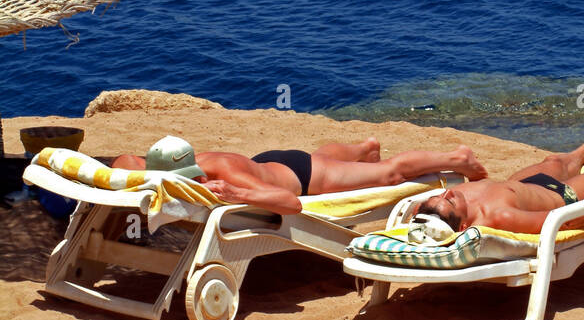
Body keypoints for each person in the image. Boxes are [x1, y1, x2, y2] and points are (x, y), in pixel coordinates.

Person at [414, 119, 584, 237]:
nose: (447, 193)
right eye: (448, 202)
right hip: (561, 196)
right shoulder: (498, 217)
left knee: (554, 160)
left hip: (521, 185)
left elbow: (419, 215)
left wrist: (426, 211)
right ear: (462, 227)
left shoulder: (430, 212)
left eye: (438, 195)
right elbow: (556, 222)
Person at [111, 134, 487, 216]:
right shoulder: (149, 165)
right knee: (332, 159)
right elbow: (121, 161)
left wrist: (236, 194)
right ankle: (362, 150)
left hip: (301, 177)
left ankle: (457, 157)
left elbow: (289, 203)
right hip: (267, 163)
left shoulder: (225, 174)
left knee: (388, 174)